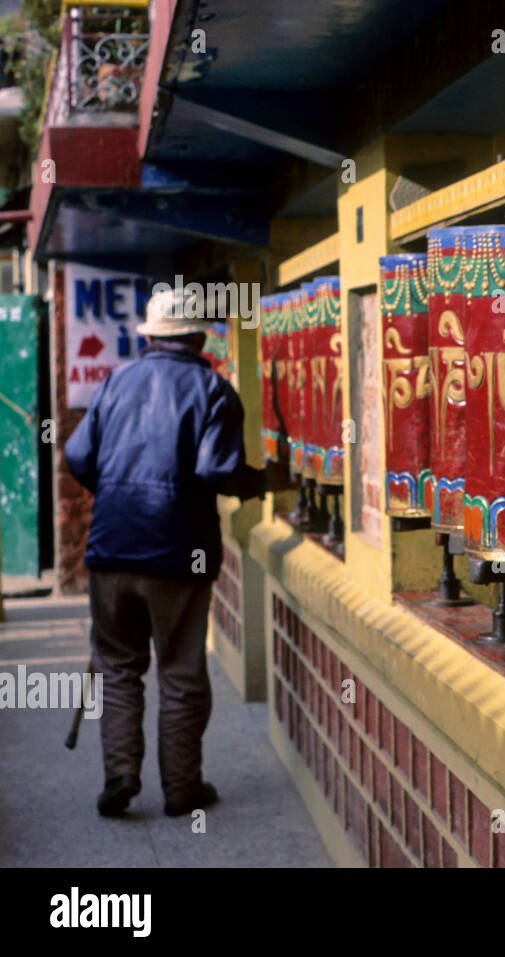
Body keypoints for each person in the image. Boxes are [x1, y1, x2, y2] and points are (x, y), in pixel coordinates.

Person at [65, 288, 291, 817]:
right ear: (196, 337)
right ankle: (181, 790)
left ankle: (121, 773)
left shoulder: (115, 383)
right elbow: (217, 471)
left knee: (119, 666)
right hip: (178, 554)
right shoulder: (214, 389)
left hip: (112, 551)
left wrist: (117, 492)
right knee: (181, 671)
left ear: (149, 337)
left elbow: (78, 457)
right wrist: (262, 481)